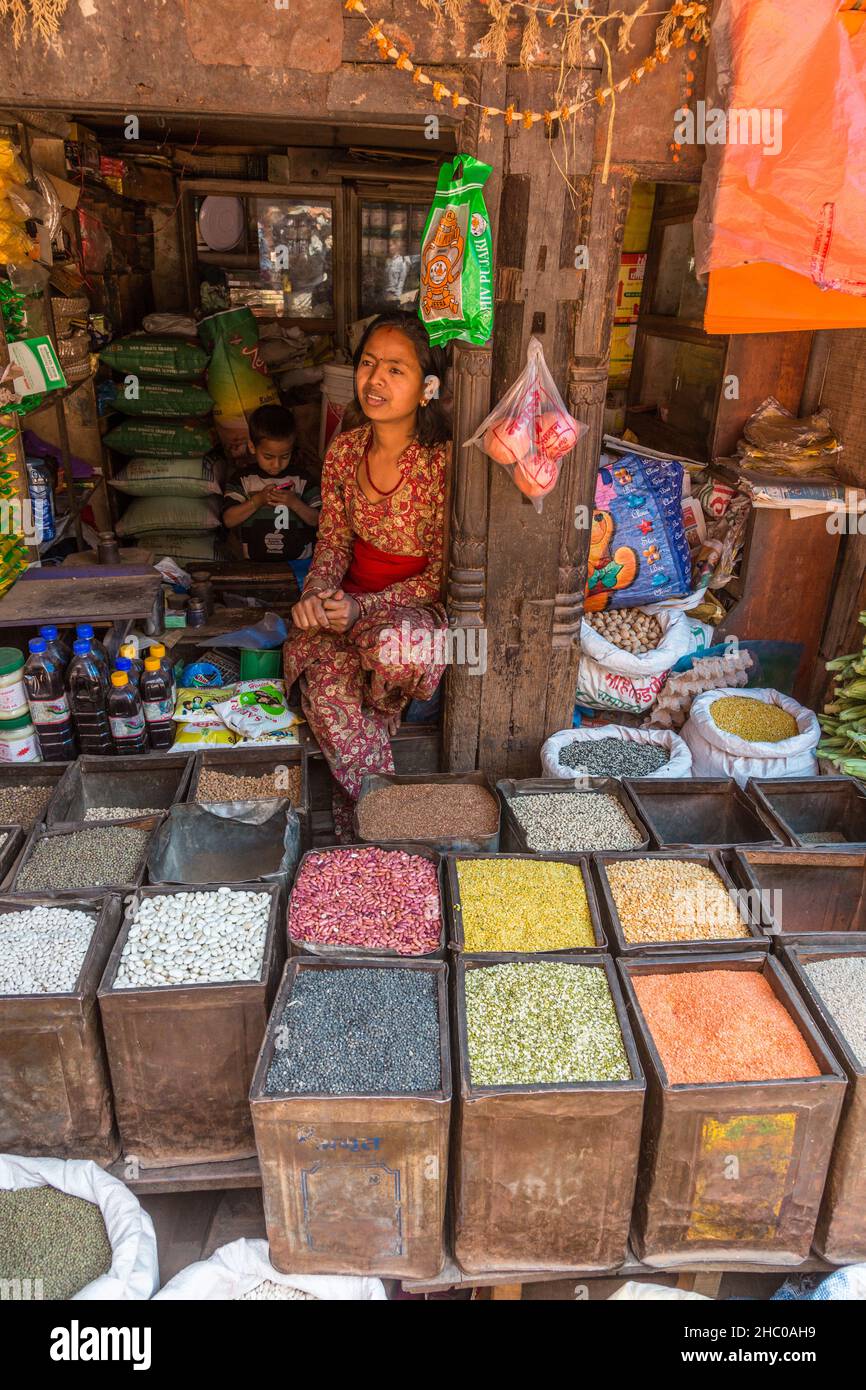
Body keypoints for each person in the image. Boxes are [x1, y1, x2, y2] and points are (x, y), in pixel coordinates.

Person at [283, 310, 450, 840]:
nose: (374, 380)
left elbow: (441, 577)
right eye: (368, 364)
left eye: (395, 370)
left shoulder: (440, 464)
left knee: (393, 648)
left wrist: (365, 609)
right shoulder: (345, 449)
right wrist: (318, 594)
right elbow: (332, 541)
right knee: (325, 683)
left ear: (427, 387)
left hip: (413, 608)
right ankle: (379, 819)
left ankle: (381, 695)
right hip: (349, 604)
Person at [222, 405, 320, 579]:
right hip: (253, 568)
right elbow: (229, 520)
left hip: (299, 569)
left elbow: (320, 521)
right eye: (268, 457)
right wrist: (257, 501)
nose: (276, 464)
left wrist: (294, 503)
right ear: (252, 447)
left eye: (284, 456)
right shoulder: (243, 480)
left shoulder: (302, 480)